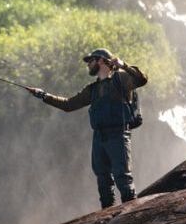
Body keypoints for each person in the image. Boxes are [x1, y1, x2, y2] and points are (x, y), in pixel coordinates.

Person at [27, 49, 148, 209]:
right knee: (102, 178)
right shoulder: (92, 89)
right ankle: (108, 214)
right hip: (99, 137)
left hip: (118, 134)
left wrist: (123, 65)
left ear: (102, 61)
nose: (88, 65)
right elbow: (68, 105)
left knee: (122, 176)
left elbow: (141, 79)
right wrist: (44, 95)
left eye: (90, 61)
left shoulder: (121, 79)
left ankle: (132, 213)